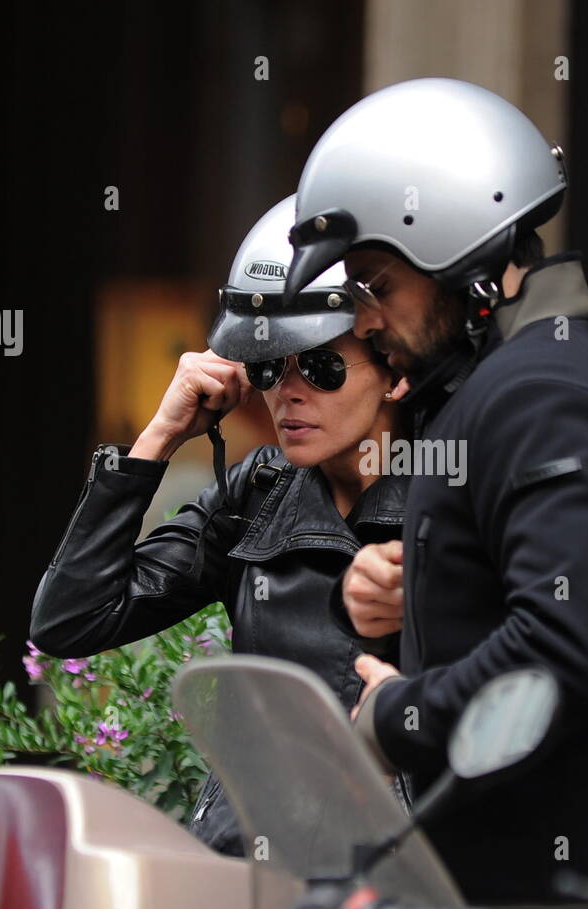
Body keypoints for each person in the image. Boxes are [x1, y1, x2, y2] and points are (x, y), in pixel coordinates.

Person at [281, 78, 588, 905]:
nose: (362, 320)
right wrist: (426, 592)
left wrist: (397, 717)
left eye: (376, 282)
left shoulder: (543, 392)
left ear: (465, 258)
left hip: (575, 901)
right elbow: (551, 599)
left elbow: (567, 650)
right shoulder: (521, 385)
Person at [29, 195, 411, 856]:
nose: (288, 393)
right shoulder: (259, 491)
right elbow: (71, 619)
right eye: (267, 368)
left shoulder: (458, 504)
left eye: (319, 366)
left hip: (403, 875)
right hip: (248, 864)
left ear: (396, 371)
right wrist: (159, 436)